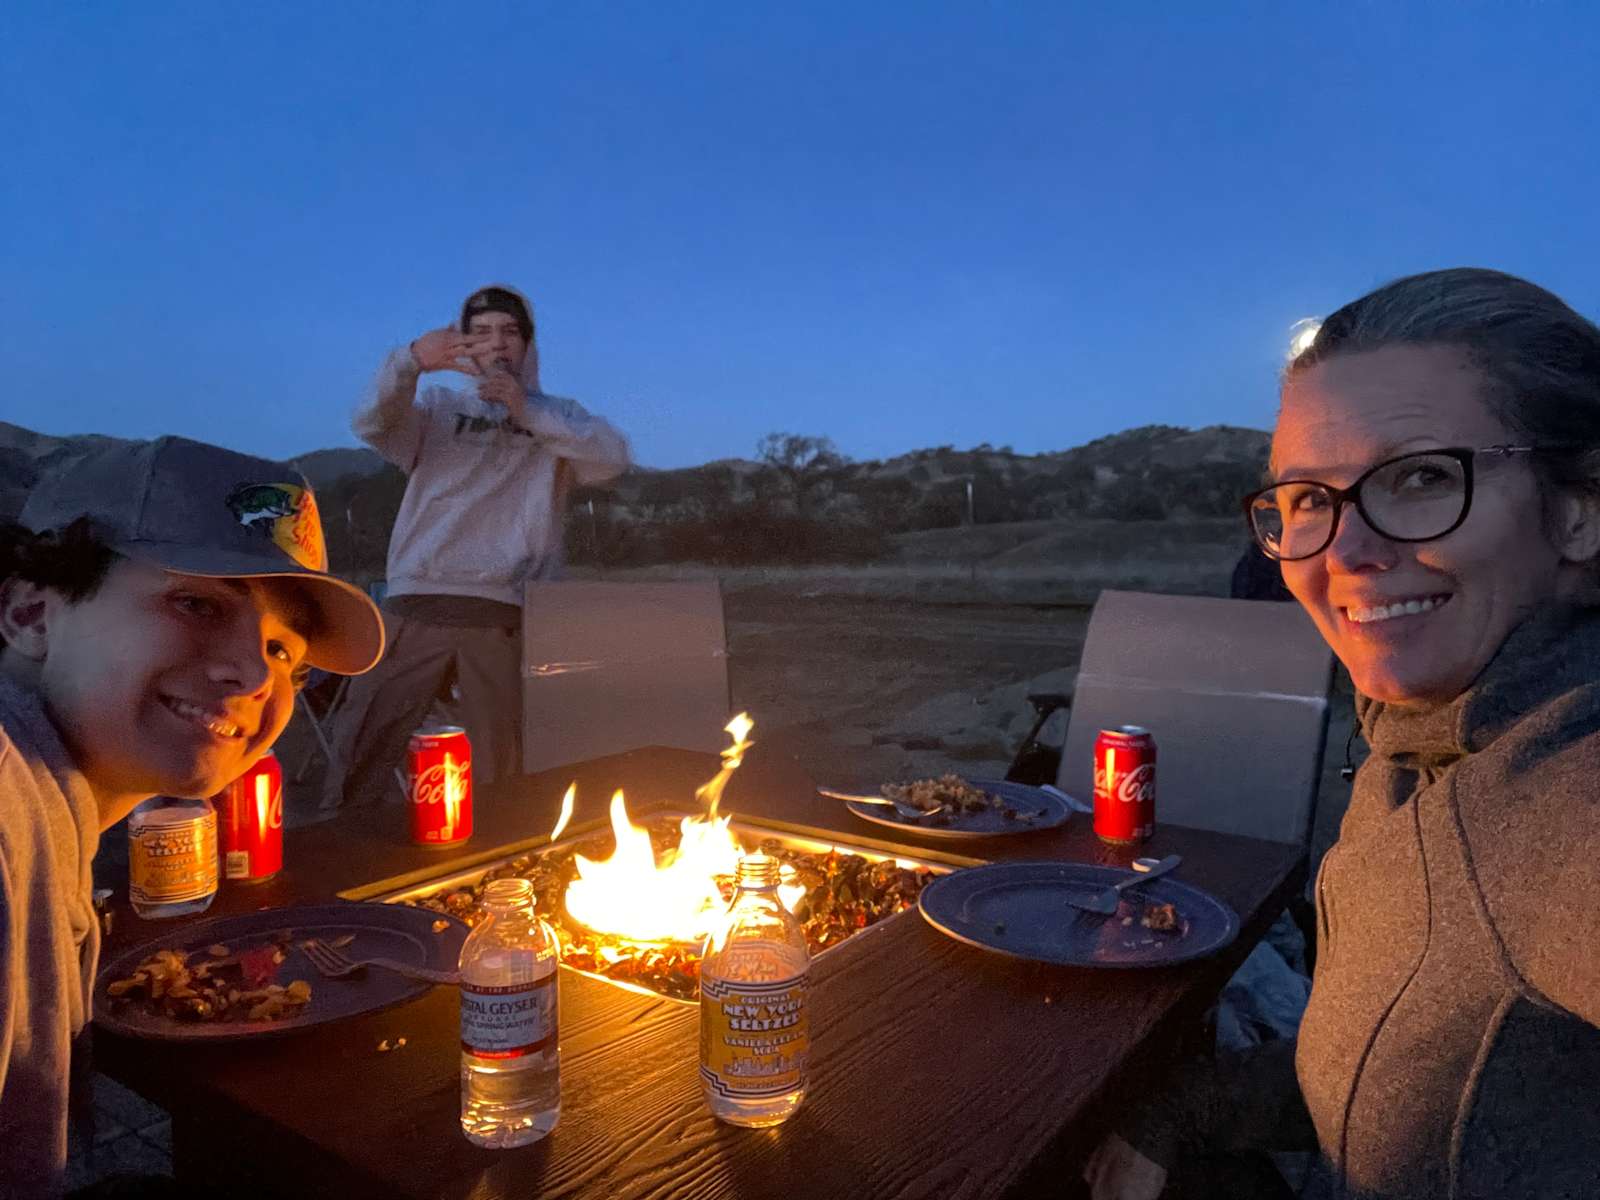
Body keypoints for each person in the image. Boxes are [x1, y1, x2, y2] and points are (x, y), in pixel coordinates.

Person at [1088, 267, 1600, 1199]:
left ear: (1580, 510)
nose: (1346, 552)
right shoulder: (1416, 743)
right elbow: (1394, 1057)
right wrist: (1187, 1111)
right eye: (1307, 498)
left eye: (1420, 477)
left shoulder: (1562, 790)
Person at [0, 436, 384, 1197]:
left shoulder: (45, 816)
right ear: (31, 613)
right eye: (196, 604)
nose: (251, 672)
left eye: (282, 650)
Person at [321, 284, 629, 811]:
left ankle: (494, 880)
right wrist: (410, 361)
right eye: (481, 332)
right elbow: (370, 421)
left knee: (501, 776)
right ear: (463, 344)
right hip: (418, 601)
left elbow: (610, 459)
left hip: (504, 614)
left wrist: (526, 410)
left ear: (528, 345)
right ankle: (339, 865)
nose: (497, 343)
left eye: (510, 332)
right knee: (361, 753)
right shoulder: (436, 407)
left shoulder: (559, 417)